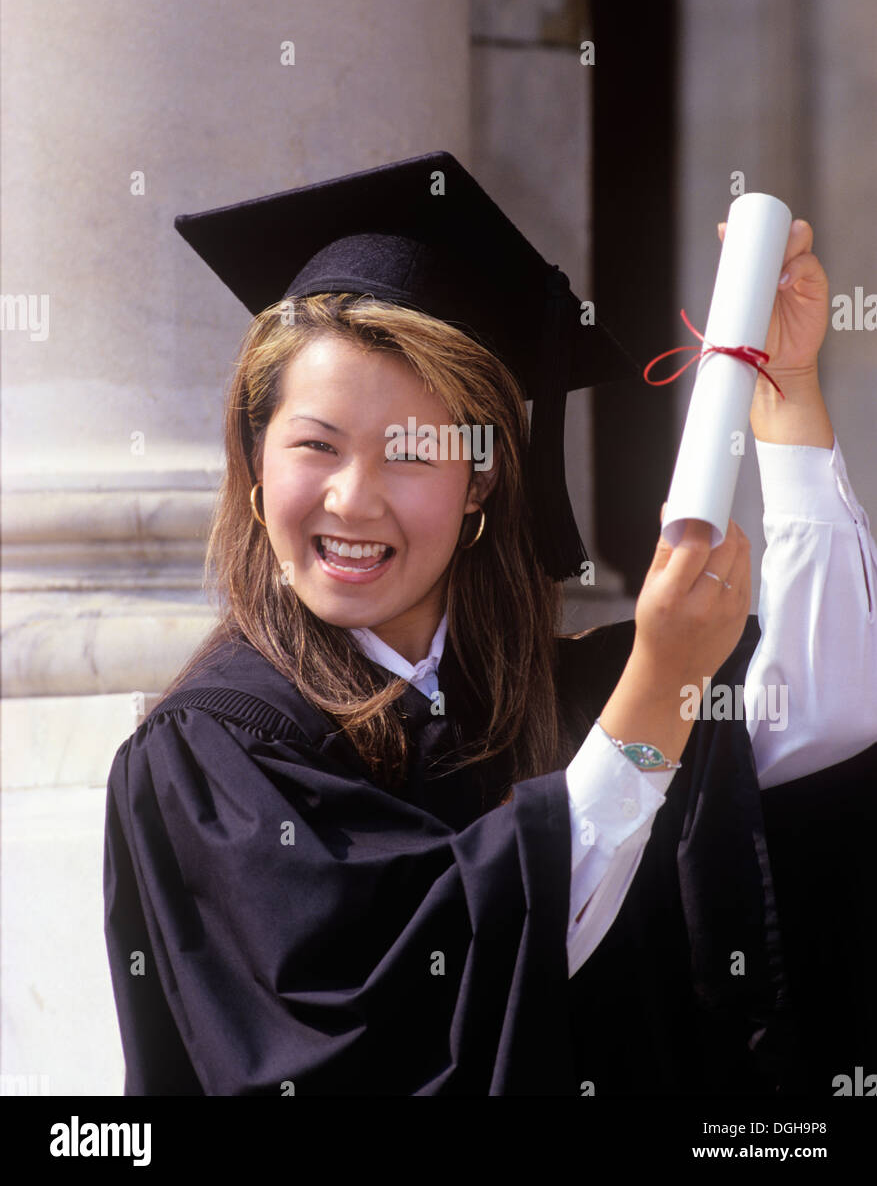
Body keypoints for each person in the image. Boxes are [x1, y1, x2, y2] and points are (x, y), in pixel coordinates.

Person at [103, 151, 877, 1096]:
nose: (352, 499)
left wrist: (783, 387)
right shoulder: (213, 754)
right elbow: (418, 1015)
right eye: (315, 445)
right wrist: (648, 704)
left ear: (479, 481)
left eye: (409, 453)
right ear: (255, 467)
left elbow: (824, 725)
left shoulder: (564, 692)